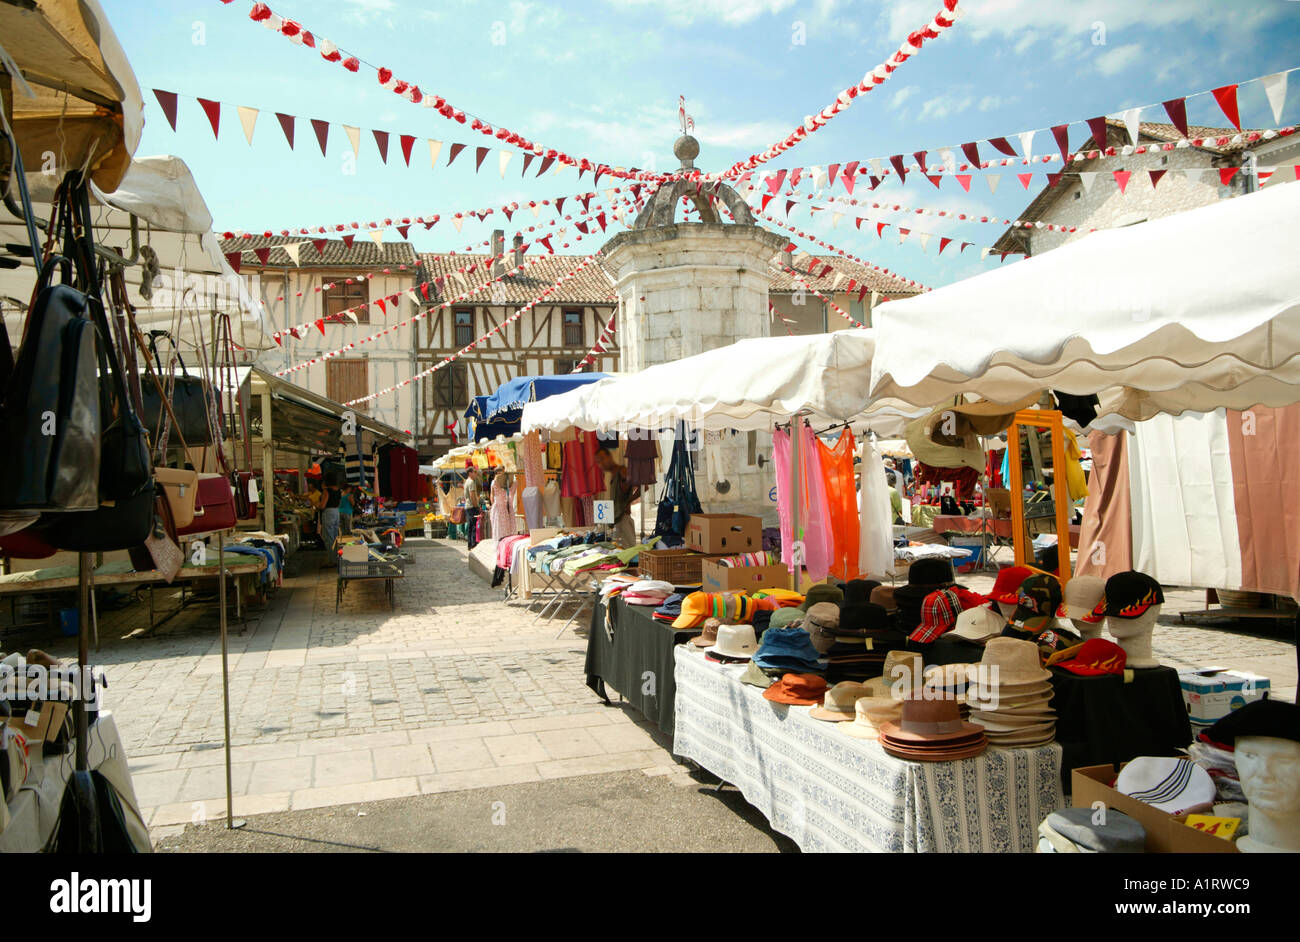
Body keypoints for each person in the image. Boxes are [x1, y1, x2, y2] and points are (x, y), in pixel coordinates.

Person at [594, 446, 640, 547]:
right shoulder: (612, 475)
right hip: (616, 521)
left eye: (602, 459)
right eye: (598, 462)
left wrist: (628, 501)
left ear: (609, 456)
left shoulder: (622, 471)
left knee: (628, 554)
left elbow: (643, 487)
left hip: (623, 521)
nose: (601, 464)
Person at [320, 482, 341, 551]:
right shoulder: (338, 490)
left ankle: (332, 559)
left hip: (328, 513)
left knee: (329, 536)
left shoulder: (327, 491)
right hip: (336, 512)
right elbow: (339, 503)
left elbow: (323, 505)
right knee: (335, 535)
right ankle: (336, 557)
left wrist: (316, 506)